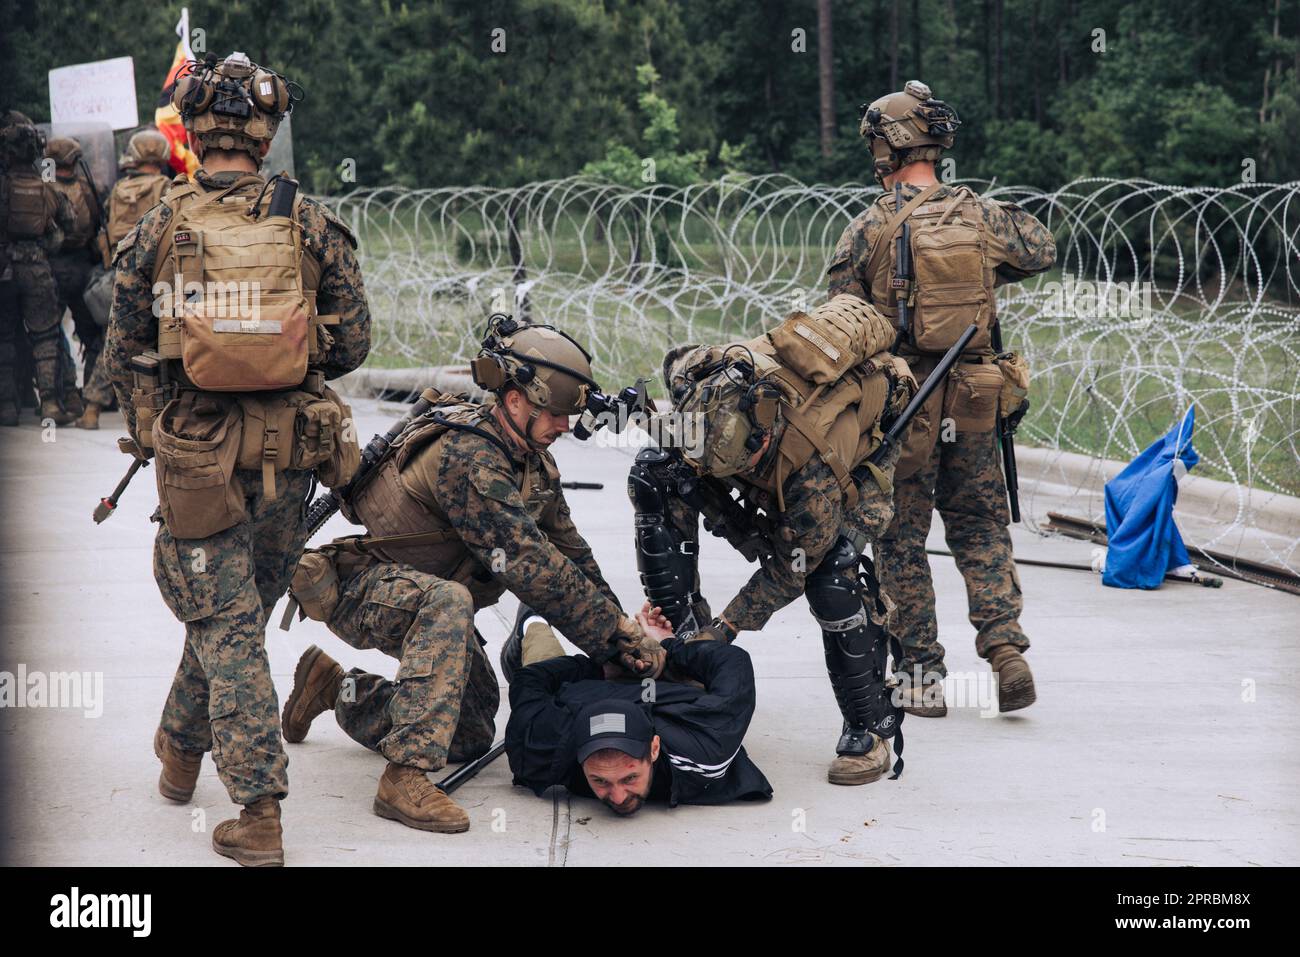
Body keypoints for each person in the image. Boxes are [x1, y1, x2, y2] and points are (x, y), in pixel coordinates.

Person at [103, 52, 371, 866]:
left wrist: (154, 411)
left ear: (196, 130)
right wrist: (288, 342)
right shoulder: (308, 221)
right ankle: (180, 750)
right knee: (235, 618)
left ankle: (258, 812)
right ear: (265, 134)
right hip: (289, 456)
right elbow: (355, 339)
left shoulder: (159, 221)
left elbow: (123, 347)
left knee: (226, 624)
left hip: (193, 456)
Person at [279, 316, 668, 834]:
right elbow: (531, 566)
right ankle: (404, 778)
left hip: (427, 604)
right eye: (553, 414)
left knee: (467, 733)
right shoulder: (471, 456)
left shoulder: (535, 465)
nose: (564, 427)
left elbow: (573, 558)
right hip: (364, 589)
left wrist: (624, 637)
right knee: (448, 602)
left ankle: (334, 689)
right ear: (513, 402)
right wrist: (613, 638)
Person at [826, 80, 1057, 716]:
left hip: (904, 402)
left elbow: (840, 324)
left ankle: (922, 675)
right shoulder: (980, 215)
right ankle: (1006, 650)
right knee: (980, 523)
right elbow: (1041, 249)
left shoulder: (867, 228)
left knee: (901, 537)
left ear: (887, 150)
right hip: (977, 398)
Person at [629, 294, 916, 786]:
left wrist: (727, 626)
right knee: (658, 474)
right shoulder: (700, 376)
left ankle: (869, 726)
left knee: (831, 573)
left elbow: (792, 569)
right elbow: (676, 361)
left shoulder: (813, 477)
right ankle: (683, 656)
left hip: (862, 461)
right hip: (755, 446)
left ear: (761, 442)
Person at [505, 610, 773, 813]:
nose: (618, 797)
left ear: (654, 749)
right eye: (599, 780)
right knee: (547, 659)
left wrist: (669, 646)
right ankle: (534, 618)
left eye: (629, 777)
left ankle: (660, 641)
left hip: (668, 692)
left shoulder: (703, 740)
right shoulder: (543, 743)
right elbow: (530, 680)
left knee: (681, 666)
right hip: (589, 691)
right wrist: (601, 668)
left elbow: (734, 662)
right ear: (578, 756)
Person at [77, 129, 174, 430]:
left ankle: (92, 408)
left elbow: (102, 230)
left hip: (118, 272)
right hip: (156, 273)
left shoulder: (118, 189)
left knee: (117, 341)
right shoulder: (167, 187)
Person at [0, 111, 76, 426]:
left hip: (4, 269)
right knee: (45, 337)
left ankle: (7, 406)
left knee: (4, 337)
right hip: (37, 268)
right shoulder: (48, 188)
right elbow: (67, 225)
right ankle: (51, 404)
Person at [45, 135, 102, 418]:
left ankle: (63, 396)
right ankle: (90, 397)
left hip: (52, 268)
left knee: (51, 335)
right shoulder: (87, 189)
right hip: (84, 268)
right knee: (91, 336)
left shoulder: (44, 188)